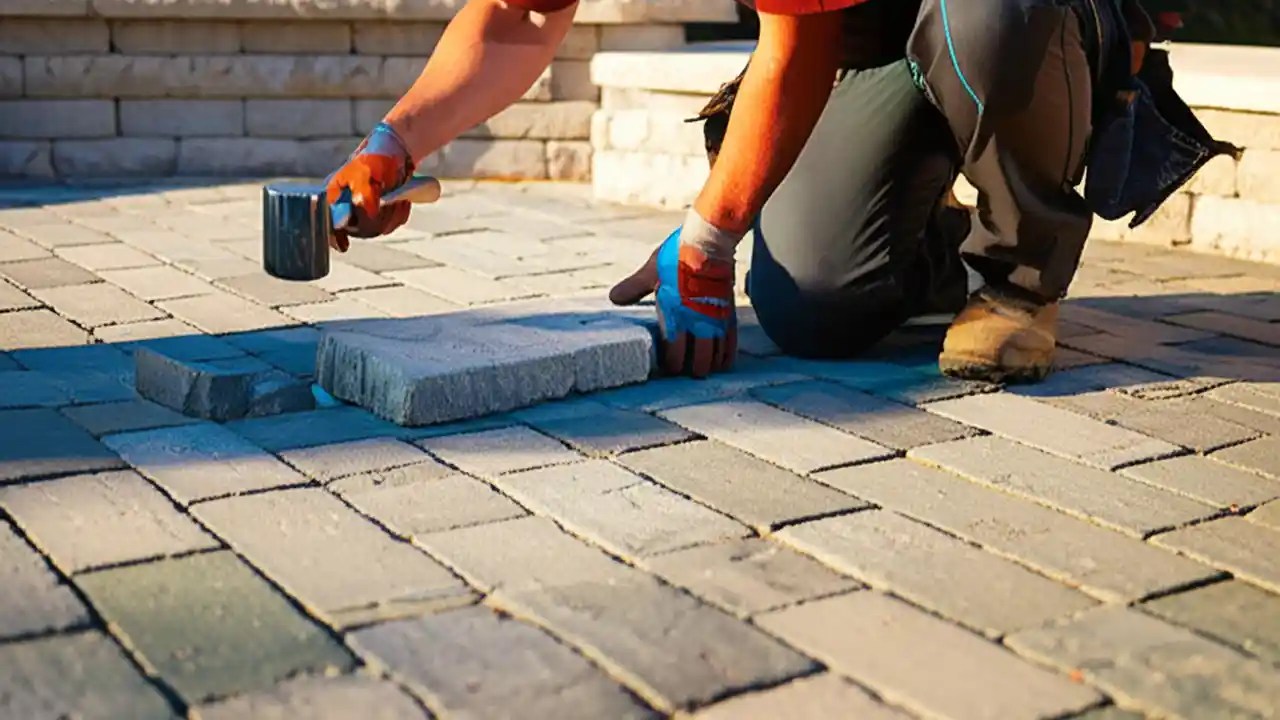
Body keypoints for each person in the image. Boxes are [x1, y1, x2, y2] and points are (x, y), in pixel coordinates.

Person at [325, 0, 1232, 382]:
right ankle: (932, 250)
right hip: (867, 40)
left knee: (987, 23)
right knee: (814, 310)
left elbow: (790, 52)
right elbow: (520, 15)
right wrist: (393, 143)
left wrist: (707, 237)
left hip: (1013, 20)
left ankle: (1019, 277)